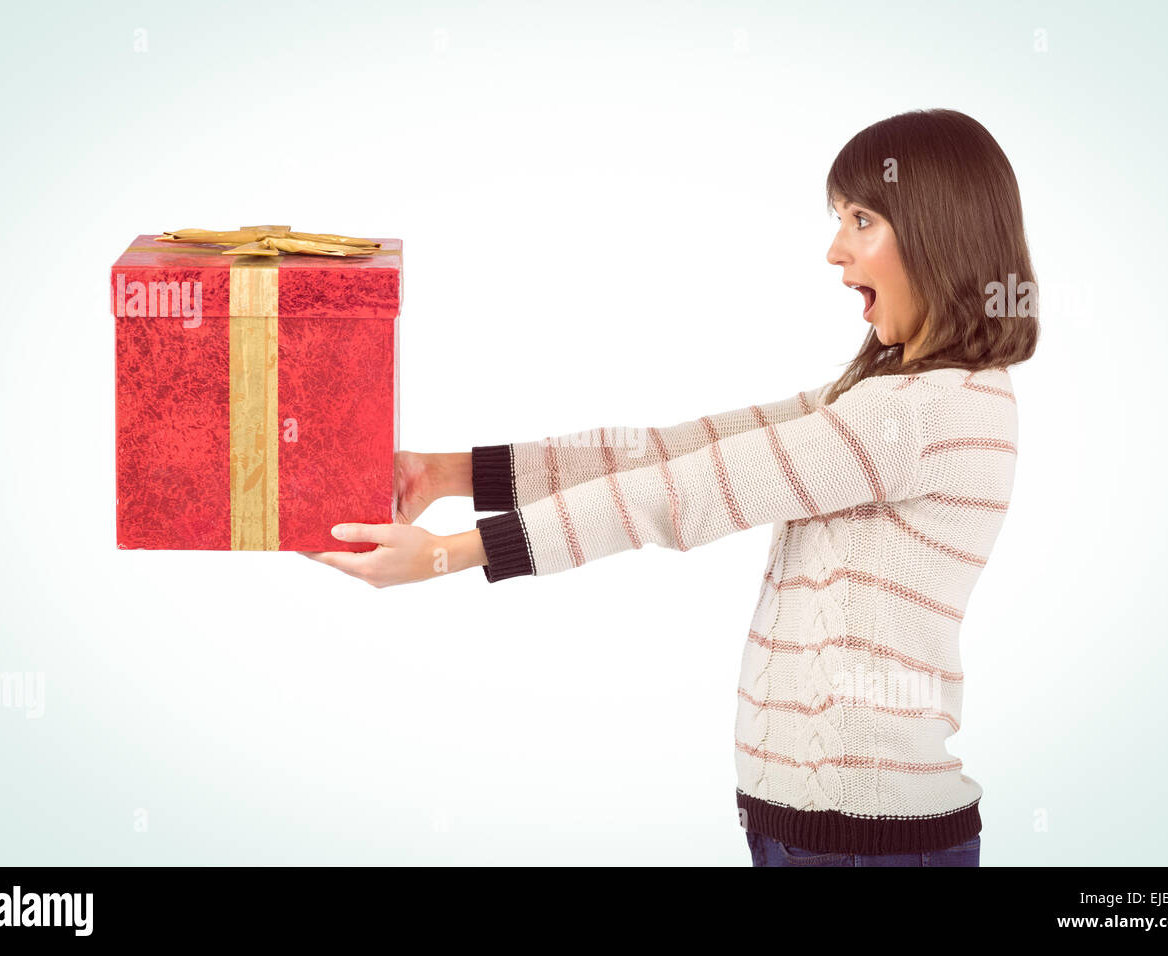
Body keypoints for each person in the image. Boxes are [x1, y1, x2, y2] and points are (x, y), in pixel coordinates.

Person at [302, 107, 1038, 867]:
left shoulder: (918, 414)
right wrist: (450, 474)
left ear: (936, 231)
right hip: (818, 833)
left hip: (867, 848)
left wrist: (446, 556)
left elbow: (686, 493)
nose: (833, 249)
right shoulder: (880, 396)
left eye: (861, 219)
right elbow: (680, 452)